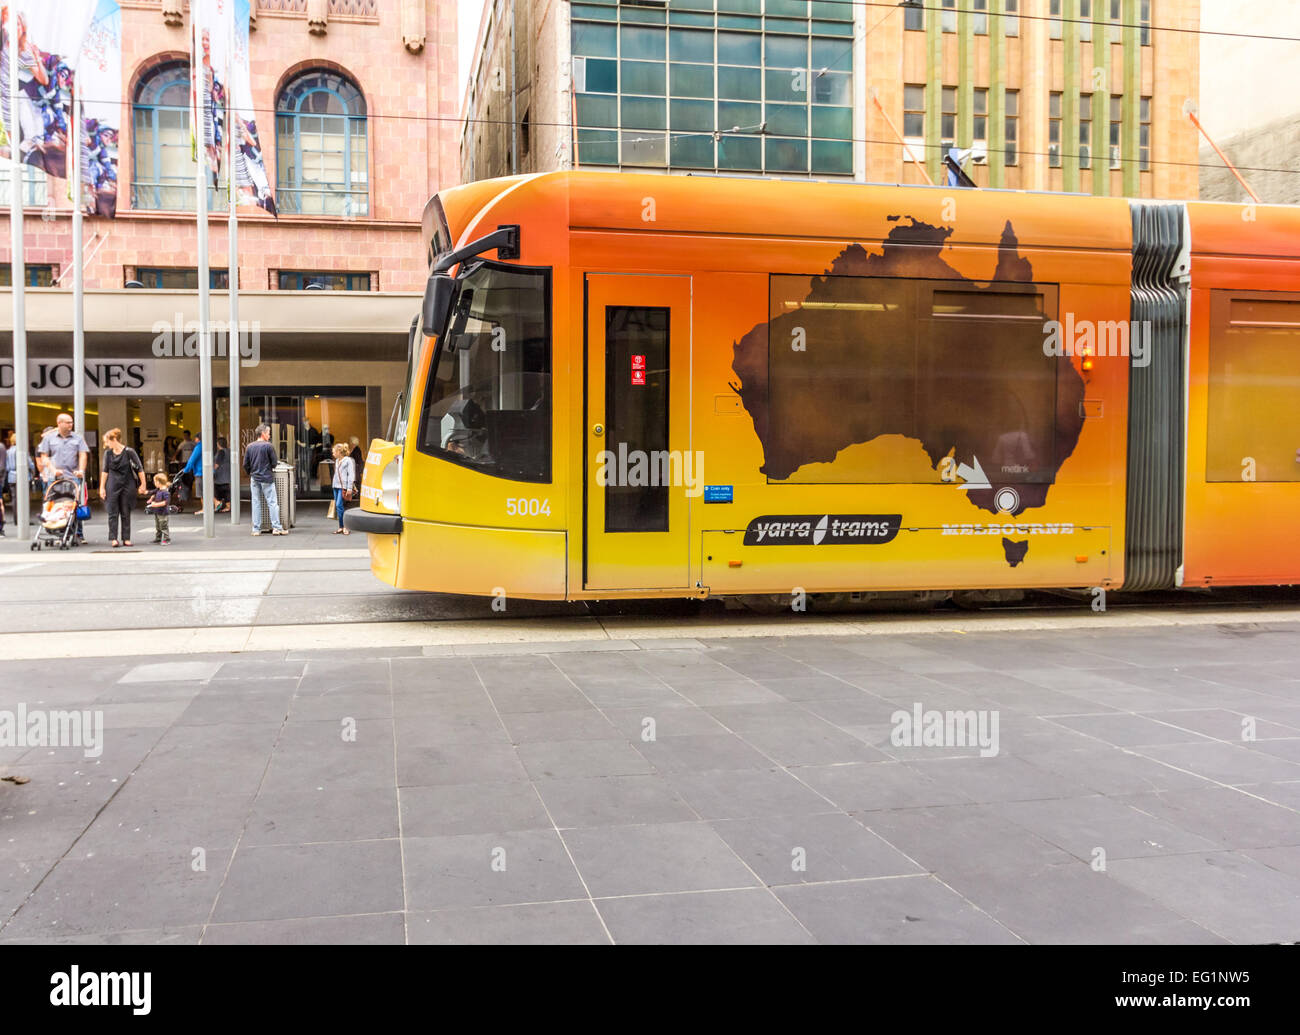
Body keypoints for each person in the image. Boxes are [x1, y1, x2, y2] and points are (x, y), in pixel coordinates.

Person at [37, 413, 89, 543]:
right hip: (55, 477)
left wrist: (81, 470)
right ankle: (58, 531)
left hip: (72, 476)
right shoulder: (49, 438)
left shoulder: (78, 438)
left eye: (71, 422)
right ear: (59, 423)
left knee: (74, 505)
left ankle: (78, 533)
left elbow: (83, 455)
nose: (71, 425)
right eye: (68, 422)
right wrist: (53, 470)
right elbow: (43, 456)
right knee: (55, 504)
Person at [98, 428, 146, 547]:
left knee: (126, 511)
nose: (106, 445)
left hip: (127, 484)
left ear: (114, 439)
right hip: (112, 484)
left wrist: (143, 484)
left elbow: (139, 469)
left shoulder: (129, 452)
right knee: (112, 512)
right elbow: (105, 471)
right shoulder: (108, 454)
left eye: (107, 442)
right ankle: (114, 538)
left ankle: (126, 538)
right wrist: (102, 487)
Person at [243, 423, 286, 536]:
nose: (269, 435)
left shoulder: (249, 446)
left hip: (254, 478)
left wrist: (251, 473)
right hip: (267, 478)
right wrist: (270, 469)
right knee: (272, 503)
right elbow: (274, 463)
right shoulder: (268, 446)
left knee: (256, 503)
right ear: (263, 434)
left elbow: (245, 464)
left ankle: (256, 529)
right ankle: (276, 527)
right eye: (268, 433)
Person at [330, 442, 356, 536]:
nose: (333, 454)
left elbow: (351, 474)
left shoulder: (348, 460)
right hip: (335, 486)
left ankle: (345, 527)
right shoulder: (337, 461)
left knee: (339, 506)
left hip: (343, 486)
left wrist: (349, 488)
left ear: (339, 452)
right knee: (338, 507)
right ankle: (341, 527)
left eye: (334, 452)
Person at [179, 432, 204, 512]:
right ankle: (215, 503)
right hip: (206, 472)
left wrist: (186, 470)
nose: (194, 439)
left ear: (198, 438)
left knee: (201, 491)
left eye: (195, 438)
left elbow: (191, 460)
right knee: (206, 490)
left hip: (200, 471)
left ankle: (205, 508)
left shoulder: (198, 446)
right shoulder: (207, 445)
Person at [145, 473, 172, 545]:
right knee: (158, 526)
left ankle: (167, 539)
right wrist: (151, 498)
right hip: (157, 512)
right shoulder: (158, 490)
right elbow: (152, 493)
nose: (154, 483)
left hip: (163, 513)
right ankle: (158, 538)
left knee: (163, 526)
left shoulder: (166, 492)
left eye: (155, 481)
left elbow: (165, 503)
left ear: (158, 482)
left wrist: (155, 504)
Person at [213, 436, 231, 513]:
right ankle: (225, 506)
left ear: (218, 444)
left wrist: (211, 471)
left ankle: (225, 506)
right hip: (227, 475)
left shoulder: (221, 452)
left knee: (220, 491)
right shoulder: (229, 451)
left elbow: (217, 464)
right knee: (225, 491)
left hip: (220, 476)